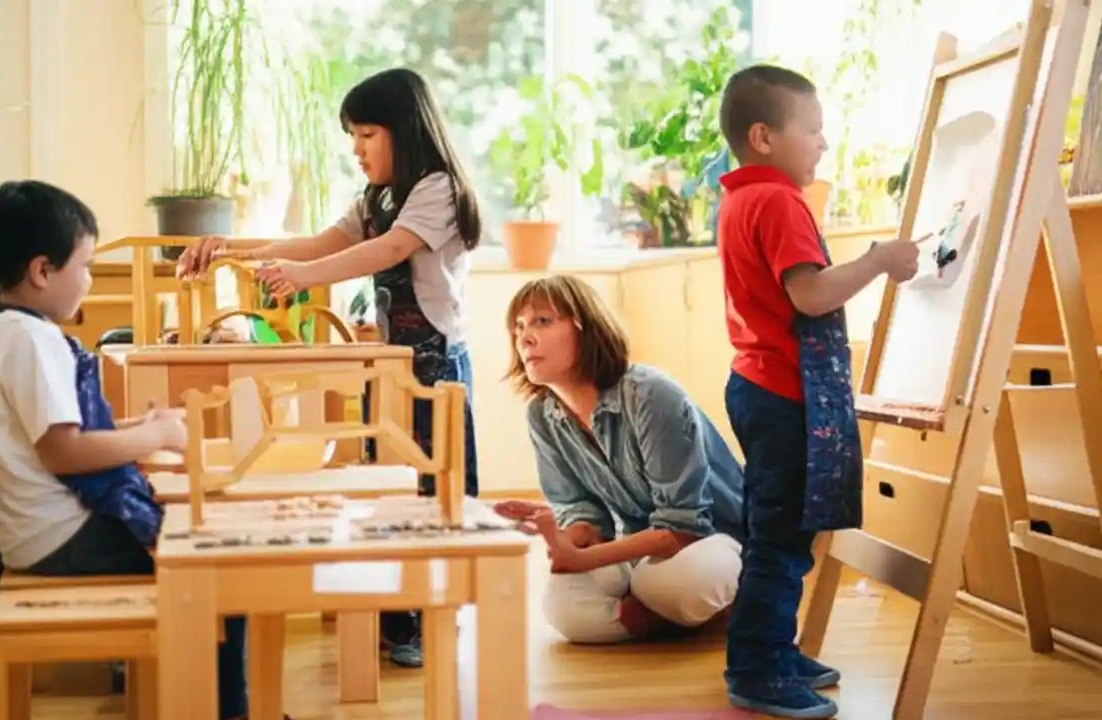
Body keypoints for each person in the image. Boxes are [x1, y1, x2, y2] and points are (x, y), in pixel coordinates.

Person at [176, 67, 482, 668]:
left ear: (404, 129)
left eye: (367, 133)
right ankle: (401, 619)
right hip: (389, 365)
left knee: (433, 487)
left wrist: (305, 278)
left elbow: (388, 249)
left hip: (436, 364)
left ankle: (436, 612)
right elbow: (319, 243)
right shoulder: (377, 198)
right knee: (391, 485)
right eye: (353, 135)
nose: (356, 148)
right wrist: (232, 248)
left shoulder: (437, 188)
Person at [0, 180, 263, 720]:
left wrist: (133, 424)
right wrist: (157, 437)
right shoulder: (35, 341)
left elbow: (44, 434)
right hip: (63, 534)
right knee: (221, 572)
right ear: (42, 271)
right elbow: (63, 452)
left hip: (33, 527)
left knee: (197, 544)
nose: (91, 279)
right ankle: (226, 712)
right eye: (86, 265)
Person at [715, 65, 919, 718]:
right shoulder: (777, 201)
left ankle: (773, 648)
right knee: (780, 539)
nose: (823, 143)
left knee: (778, 531)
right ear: (763, 137)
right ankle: (756, 667)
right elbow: (810, 293)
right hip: (782, 396)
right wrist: (879, 262)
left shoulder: (742, 197)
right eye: (813, 129)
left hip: (758, 386)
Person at [493, 275, 746, 645]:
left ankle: (702, 598)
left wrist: (583, 561)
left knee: (671, 581)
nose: (525, 337)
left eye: (542, 321)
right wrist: (557, 533)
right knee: (564, 610)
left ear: (586, 328)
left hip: (712, 539)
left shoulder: (650, 394)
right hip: (646, 548)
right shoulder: (542, 415)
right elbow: (584, 513)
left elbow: (683, 527)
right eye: (518, 327)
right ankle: (685, 615)